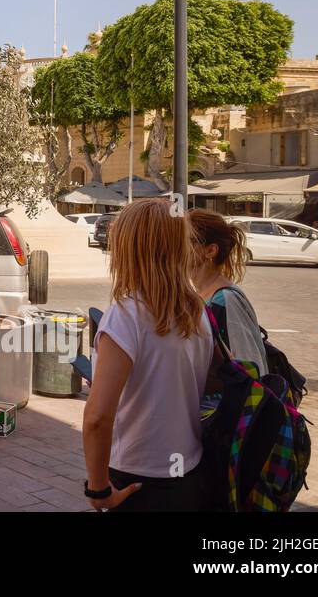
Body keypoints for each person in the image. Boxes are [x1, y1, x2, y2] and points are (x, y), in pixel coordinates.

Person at [82, 198, 214, 511]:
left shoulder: (127, 315)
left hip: (137, 479)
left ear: (128, 249)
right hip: (188, 472)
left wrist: (99, 489)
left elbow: (97, 418)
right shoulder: (198, 312)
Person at [188, 209, 267, 376]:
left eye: (184, 241)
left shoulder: (225, 299)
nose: (175, 248)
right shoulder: (202, 294)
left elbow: (252, 369)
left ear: (210, 251)